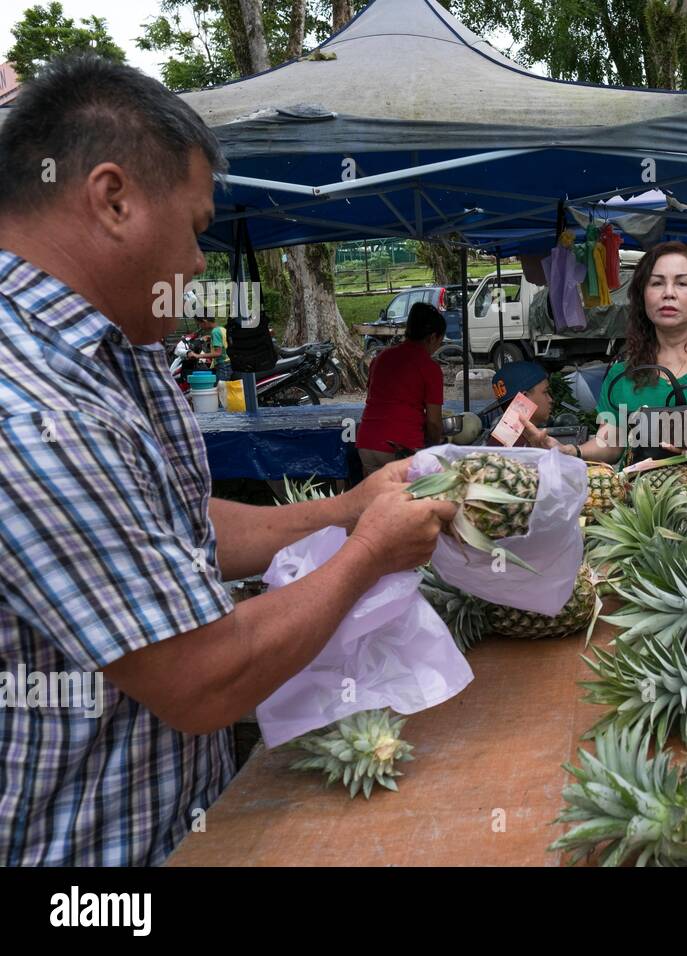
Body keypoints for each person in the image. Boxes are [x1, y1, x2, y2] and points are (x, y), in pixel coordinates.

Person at [0, 57, 455, 866]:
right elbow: (202, 677)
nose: (202, 262)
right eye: (197, 227)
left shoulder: (118, 354)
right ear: (113, 200)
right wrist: (367, 552)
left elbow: (175, 522)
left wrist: (346, 510)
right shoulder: (33, 408)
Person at [531, 241, 687, 463]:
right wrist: (573, 452)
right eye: (657, 283)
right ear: (643, 296)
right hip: (643, 504)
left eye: (682, 283)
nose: (668, 293)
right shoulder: (623, 367)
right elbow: (610, 441)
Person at [355, 302, 446, 475]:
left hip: (367, 444)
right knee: (404, 500)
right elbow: (434, 422)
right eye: (439, 342)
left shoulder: (381, 358)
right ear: (433, 337)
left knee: (377, 500)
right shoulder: (429, 368)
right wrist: (435, 447)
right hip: (400, 448)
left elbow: (376, 399)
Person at [192, 313, 232, 380]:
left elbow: (217, 353)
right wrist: (211, 338)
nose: (199, 327)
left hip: (223, 364)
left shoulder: (215, 332)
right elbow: (223, 341)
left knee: (221, 388)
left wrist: (197, 355)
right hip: (228, 362)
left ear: (205, 321)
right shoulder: (221, 329)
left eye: (199, 324)